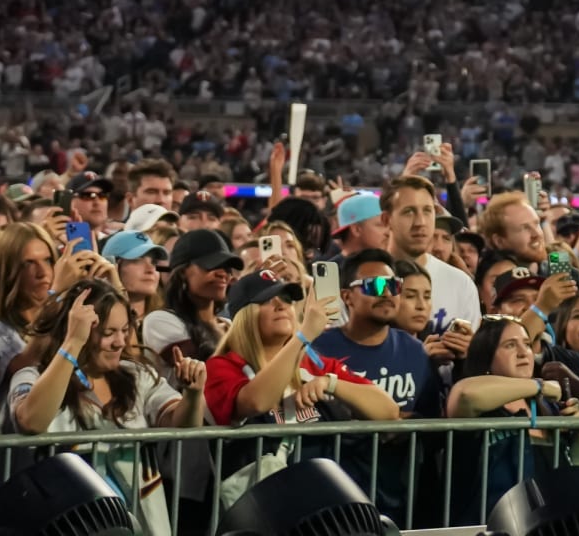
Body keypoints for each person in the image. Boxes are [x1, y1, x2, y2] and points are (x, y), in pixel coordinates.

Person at [11, 279, 207, 536]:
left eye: (124, 330)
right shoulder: (32, 377)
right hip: (72, 526)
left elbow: (183, 425)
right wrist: (72, 344)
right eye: (107, 333)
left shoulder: (136, 375)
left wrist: (192, 394)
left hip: (142, 524)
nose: (120, 342)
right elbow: (31, 421)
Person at [203, 270, 397, 487]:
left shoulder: (316, 364)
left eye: (286, 299)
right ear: (243, 316)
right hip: (263, 505)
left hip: (325, 497)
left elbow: (388, 412)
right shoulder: (222, 366)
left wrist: (330, 383)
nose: (281, 305)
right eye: (267, 300)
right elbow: (256, 401)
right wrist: (303, 336)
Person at [312, 249, 439, 525]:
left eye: (394, 285)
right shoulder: (319, 349)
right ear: (347, 296)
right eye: (375, 285)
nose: (387, 293)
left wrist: (407, 423)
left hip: (400, 496)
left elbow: (431, 420)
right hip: (336, 496)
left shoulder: (415, 351)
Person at [445, 316, 579, 524]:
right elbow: (465, 395)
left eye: (527, 344)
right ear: (486, 357)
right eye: (510, 345)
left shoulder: (547, 407)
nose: (523, 352)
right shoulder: (477, 404)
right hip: (488, 526)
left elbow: (572, 470)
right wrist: (539, 385)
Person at [0, 223, 106, 406]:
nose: (43, 272)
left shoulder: (68, 313)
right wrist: (56, 295)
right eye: (29, 263)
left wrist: (113, 286)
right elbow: (24, 366)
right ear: (8, 271)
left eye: (47, 261)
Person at [380, 176, 480, 337]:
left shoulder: (461, 284)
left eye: (427, 211)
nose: (420, 222)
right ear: (386, 220)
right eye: (409, 212)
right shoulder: (366, 280)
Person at [142, 229, 243, 375]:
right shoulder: (160, 321)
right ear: (182, 271)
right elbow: (209, 371)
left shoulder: (229, 325)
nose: (222, 274)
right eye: (211, 265)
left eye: (227, 267)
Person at [101, 230, 168, 326]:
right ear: (111, 266)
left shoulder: (168, 319)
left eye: (154, 262)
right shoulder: (94, 321)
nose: (151, 269)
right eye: (137, 260)